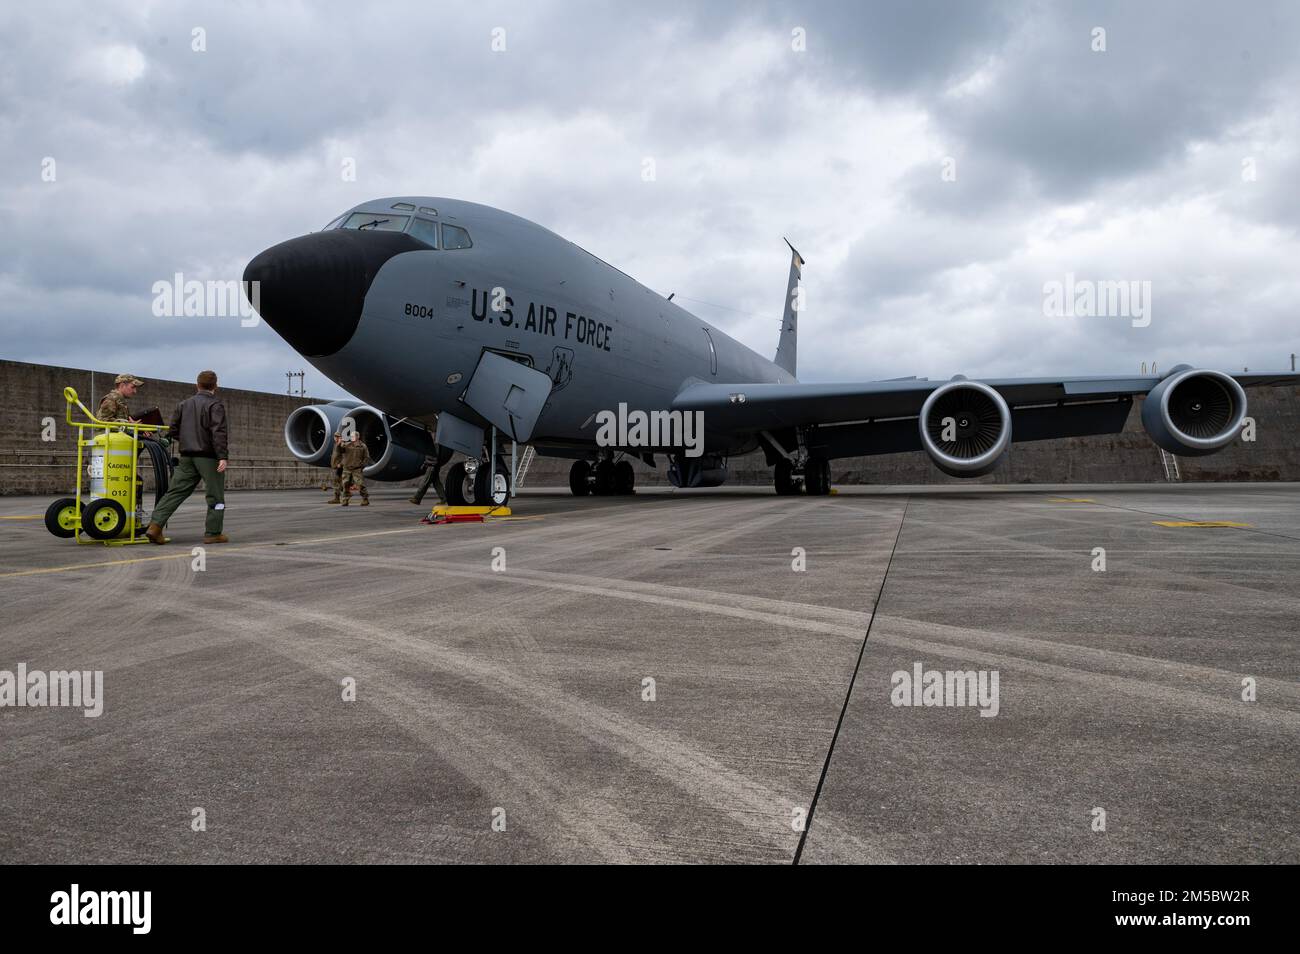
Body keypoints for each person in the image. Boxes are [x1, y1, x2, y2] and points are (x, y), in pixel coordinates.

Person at [145, 370, 229, 544]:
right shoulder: (215, 405)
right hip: (208, 457)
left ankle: (155, 526)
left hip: (186, 456)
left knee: (175, 491)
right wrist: (222, 456)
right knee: (216, 496)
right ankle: (213, 533)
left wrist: (187, 441)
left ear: (196, 385)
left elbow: (173, 430)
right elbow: (218, 432)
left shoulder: (184, 404)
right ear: (216, 386)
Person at [338, 432, 371, 506]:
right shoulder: (347, 445)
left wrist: (362, 465)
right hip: (347, 468)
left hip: (357, 469)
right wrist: (340, 443)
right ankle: (345, 499)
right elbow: (340, 450)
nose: (352, 437)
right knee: (345, 484)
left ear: (357, 437)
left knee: (360, 484)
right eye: (351, 436)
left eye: (353, 436)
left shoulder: (362, 446)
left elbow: (366, 457)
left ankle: (365, 499)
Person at [326, 432, 345, 504]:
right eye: (335, 436)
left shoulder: (341, 445)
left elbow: (345, 456)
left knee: (336, 483)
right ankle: (346, 493)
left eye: (338, 437)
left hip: (338, 467)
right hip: (334, 466)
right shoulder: (336, 445)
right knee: (339, 482)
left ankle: (337, 498)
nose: (336, 438)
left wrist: (341, 464)